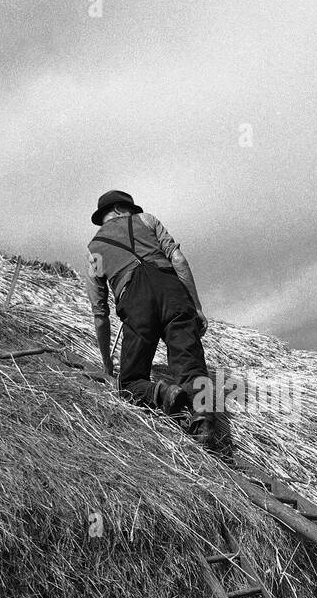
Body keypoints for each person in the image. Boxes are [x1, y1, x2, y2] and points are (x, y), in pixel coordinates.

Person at [85, 190, 230, 454]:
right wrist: (195, 306)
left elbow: (99, 313)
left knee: (129, 383)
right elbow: (178, 260)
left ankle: (163, 394)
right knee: (193, 366)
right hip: (173, 292)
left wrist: (107, 361)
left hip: (135, 302)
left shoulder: (95, 251)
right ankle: (205, 424)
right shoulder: (148, 221)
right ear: (120, 208)